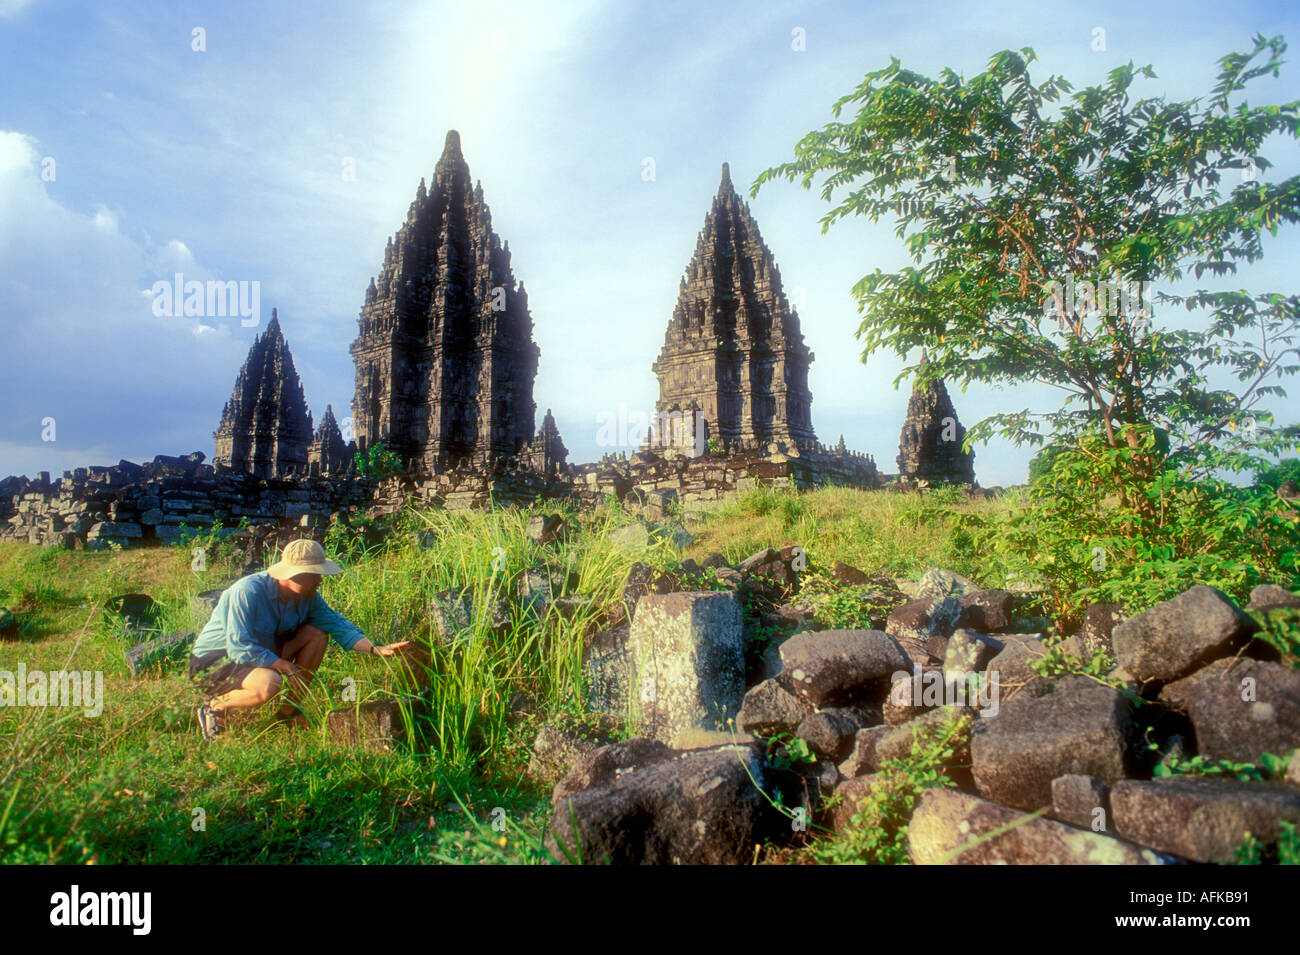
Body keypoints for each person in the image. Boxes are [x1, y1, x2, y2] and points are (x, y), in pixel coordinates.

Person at [189, 538, 410, 739]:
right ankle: (215, 706)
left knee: (316, 634)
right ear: (293, 574)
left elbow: (337, 624)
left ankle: (288, 714)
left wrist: (375, 649)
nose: (320, 580)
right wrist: (284, 665)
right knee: (269, 685)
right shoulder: (247, 591)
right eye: (315, 574)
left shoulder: (308, 597)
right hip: (217, 661)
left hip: (260, 656)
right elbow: (239, 646)